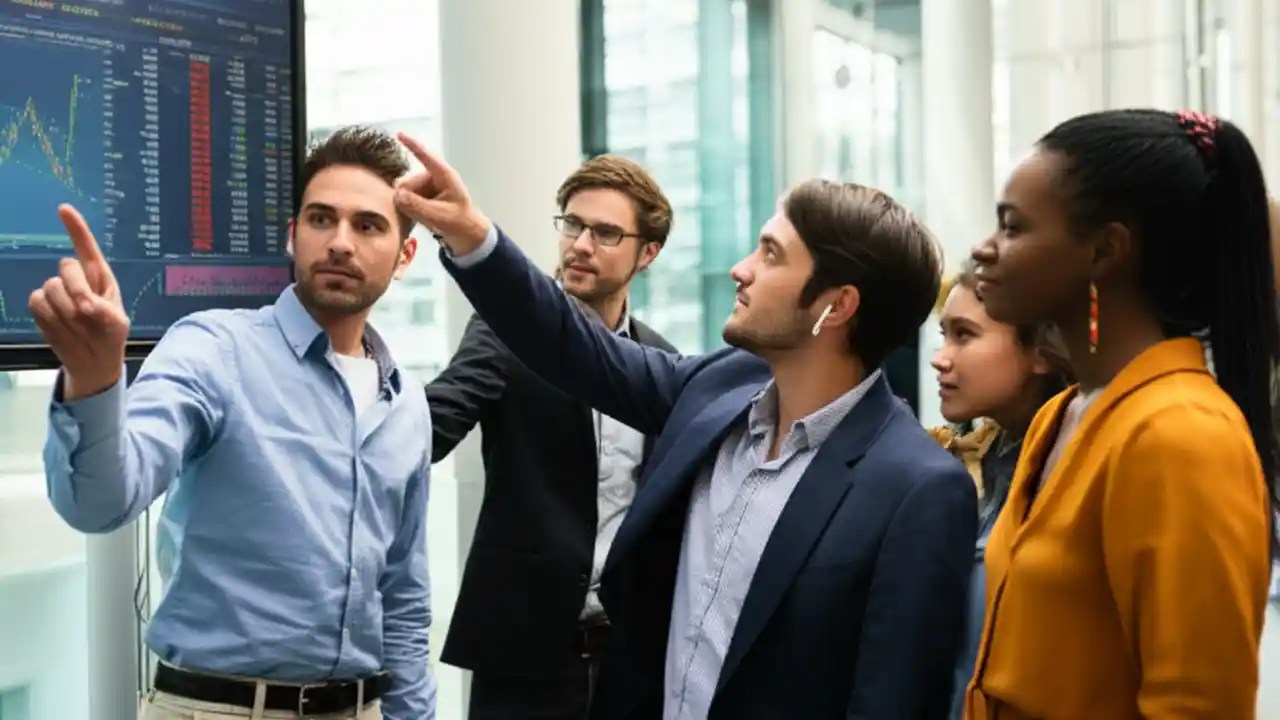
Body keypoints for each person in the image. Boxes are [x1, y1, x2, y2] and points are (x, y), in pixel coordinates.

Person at [394, 133, 977, 718]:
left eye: (770, 254)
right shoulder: (716, 389)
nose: (740, 270)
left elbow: (890, 701)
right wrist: (471, 235)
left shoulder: (917, 488)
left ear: (837, 306)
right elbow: (572, 345)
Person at [32, 127, 435, 720]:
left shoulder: (406, 403)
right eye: (322, 220)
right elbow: (101, 504)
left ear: (404, 256)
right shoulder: (212, 348)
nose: (341, 243)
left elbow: (403, 598)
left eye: (368, 225)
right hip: (217, 709)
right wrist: (94, 382)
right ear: (293, 235)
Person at [966, 109, 1278, 719]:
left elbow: (1197, 706)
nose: (984, 247)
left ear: (1105, 251)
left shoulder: (1181, 435)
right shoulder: (1064, 414)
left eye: (1012, 227)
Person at [426, 155, 677, 718]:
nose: (580, 244)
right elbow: (436, 421)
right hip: (524, 657)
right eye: (572, 224)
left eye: (606, 232)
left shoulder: (660, 362)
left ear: (648, 252)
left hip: (630, 658)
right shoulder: (505, 329)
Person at [926, 264, 1072, 719]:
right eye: (944, 334)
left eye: (964, 335)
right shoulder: (970, 460)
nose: (940, 357)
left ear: (1042, 352)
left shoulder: (1070, 473)